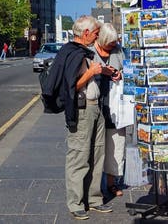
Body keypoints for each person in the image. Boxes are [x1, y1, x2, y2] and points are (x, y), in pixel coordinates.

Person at [44, 14, 114, 219]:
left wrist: (104, 72)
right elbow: (70, 87)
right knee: (79, 157)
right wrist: (91, 73)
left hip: (96, 108)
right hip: (82, 110)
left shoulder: (83, 51)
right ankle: (75, 203)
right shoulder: (71, 52)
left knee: (97, 154)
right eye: (95, 33)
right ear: (85, 33)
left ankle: (94, 199)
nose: (96, 36)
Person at [93, 23, 126, 200]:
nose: (114, 46)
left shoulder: (118, 50)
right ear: (102, 40)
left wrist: (120, 73)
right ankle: (94, 186)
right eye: (111, 43)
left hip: (116, 106)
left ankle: (112, 184)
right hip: (96, 106)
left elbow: (128, 69)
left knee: (116, 146)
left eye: (115, 43)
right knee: (96, 148)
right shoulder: (91, 51)